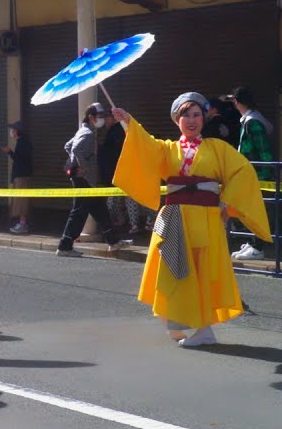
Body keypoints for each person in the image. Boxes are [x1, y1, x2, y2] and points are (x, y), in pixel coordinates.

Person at [111, 93, 272, 346]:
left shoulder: (218, 148)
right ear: (177, 119)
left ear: (204, 118)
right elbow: (144, 144)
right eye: (185, 115)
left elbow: (243, 171)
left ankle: (204, 330)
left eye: (197, 114)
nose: (192, 120)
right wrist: (127, 122)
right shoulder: (167, 149)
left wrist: (227, 203)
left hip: (206, 220)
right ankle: (173, 321)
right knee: (170, 270)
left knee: (202, 273)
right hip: (174, 217)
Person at [57, 103, 128, 257]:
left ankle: (113, 241)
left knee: (99, 208)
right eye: (100, 116)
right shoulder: (87, 133)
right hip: (84, 179)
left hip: (87, 179)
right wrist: (82, 166)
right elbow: (75, 149)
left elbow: (68, 146)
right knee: (80, 212)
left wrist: (76, 162)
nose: (102, 119)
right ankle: (64, 246)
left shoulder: (84, 131)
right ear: (91, 117)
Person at [227, 86, 274, 261]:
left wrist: (266, 171)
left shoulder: (252, 122)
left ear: (237, 101)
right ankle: (252, 242)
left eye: (234, 100)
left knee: (255, 211)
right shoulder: (250, 119)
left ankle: (257, 247)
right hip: (251, 173)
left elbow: (263, 150)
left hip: (257, 175)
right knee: (249, 210)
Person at [4, 120, 33, 235]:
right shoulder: (24, 142)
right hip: (23, 175)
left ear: (16, 131)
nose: (11, 131)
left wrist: (9, 152)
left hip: (21, 176)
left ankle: (23, 224)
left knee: (21, 201)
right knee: (21, 200)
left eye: (13, 129)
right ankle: (22, 223)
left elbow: (20, 160)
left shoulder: (22, 143)